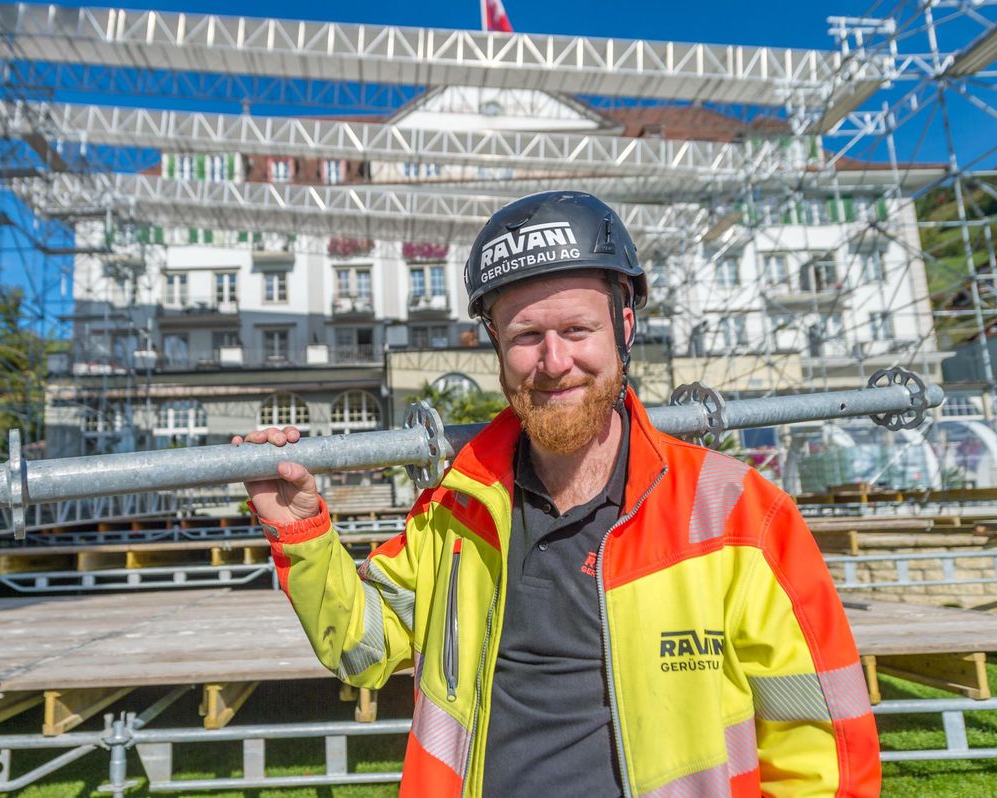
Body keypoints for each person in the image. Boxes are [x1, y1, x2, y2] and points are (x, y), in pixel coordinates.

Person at [236, 191, 882, 797]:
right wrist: (301, 530)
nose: (553, 361)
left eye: (576, 330)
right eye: (524, 336)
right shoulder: (455, 513)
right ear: (496, 345)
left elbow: (824, 742)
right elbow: (362, 650)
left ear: (624, 326)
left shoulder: (739, 514)